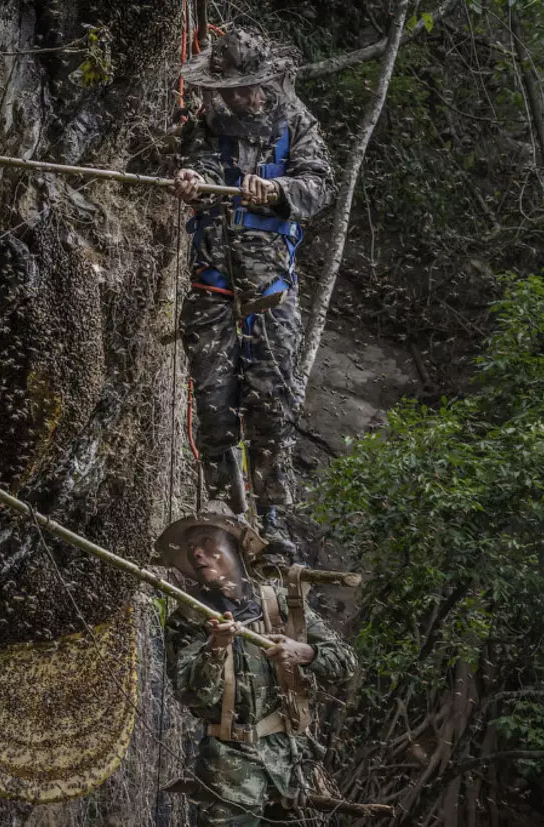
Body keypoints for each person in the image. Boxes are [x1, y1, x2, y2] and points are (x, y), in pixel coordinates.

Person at [170, 28, 336, 558]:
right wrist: (190, 177)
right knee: (214, 403)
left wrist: (280, 190)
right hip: (210, 283)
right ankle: (225, 507)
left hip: (271, 289)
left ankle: (272, 515)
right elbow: (189, 163)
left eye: (254, 87)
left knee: (272, 401)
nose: (248, 97)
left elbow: (319, 185)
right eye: (236, 89)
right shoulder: (204, 125)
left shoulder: (297, 124)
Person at [156, 507, 356, 826]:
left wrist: (303, 652)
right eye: (191, 548)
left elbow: (344, 663)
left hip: (292, 764)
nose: (197, 552)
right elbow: (193, 695)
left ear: (236, 549)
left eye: (207, 541)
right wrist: (216, 648)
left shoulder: (280, 603)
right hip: (227, 772)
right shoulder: (189, 620)